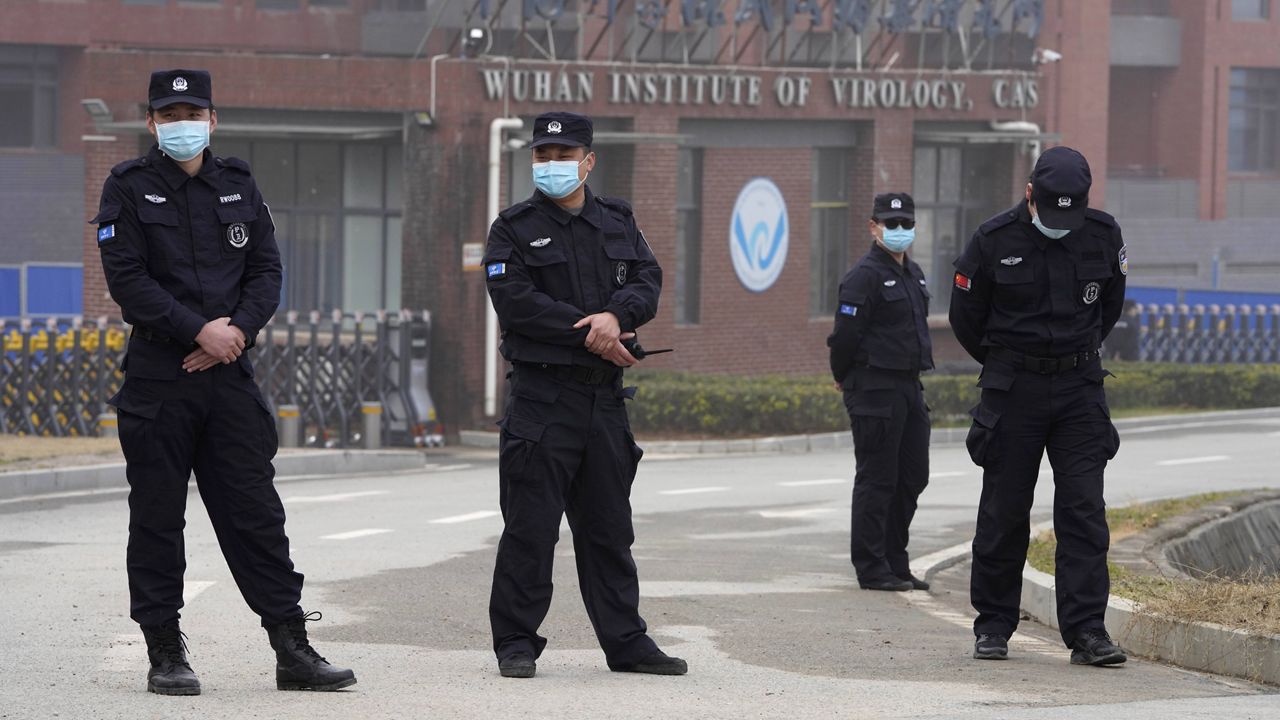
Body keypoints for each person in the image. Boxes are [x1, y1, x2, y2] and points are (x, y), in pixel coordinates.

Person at [91, 69, 355, 695]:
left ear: (213, 119)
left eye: (193, 111)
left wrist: (233, 334)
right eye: (168, 113)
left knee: (256, 514)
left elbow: (266, 268)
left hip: (229, 376)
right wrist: (196, 331)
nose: (182, 123)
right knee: (157, 518)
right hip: (161, 375)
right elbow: (127, 279)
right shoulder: (126, 187)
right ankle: (164, 651)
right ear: (151, 122)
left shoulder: (238, 184)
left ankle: (292, 647)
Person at [482, 111, 686, 680]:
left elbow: (648, 280)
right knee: (531, 528)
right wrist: (594, 332)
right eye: (542, 156)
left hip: (604, 404)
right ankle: (516, 643)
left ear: (588, 161)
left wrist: (615, 316)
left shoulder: (618, 220)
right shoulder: (512, 228)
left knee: (609, 530)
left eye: (563, 155)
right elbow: (516, 301)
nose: (551, 165)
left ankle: (627, 644)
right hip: (542, 401)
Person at [949, 146, 1128, 666]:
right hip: (1015, 390)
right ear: (1030, 194)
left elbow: (1109, 306)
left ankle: (1088, 632)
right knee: (1004, 510)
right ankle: (994, 625)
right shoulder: (992, 239)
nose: (1061, 224)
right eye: (1052, 212)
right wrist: (1011, 362)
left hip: (1079, 389)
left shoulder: (1102, 233)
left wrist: (1073, 355)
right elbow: (967, 318)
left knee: (1083, 512)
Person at [827, 193, 934, 593]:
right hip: (874, 387)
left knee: (912, 476)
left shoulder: (913, 274)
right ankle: (872, 567)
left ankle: (895, 561)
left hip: (908, 385)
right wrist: (842, 375)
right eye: (891, 224)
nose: (900, 231)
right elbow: (845, 335)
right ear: (873, 227)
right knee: (878, 479)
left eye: (906, 224)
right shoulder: (864, 276)